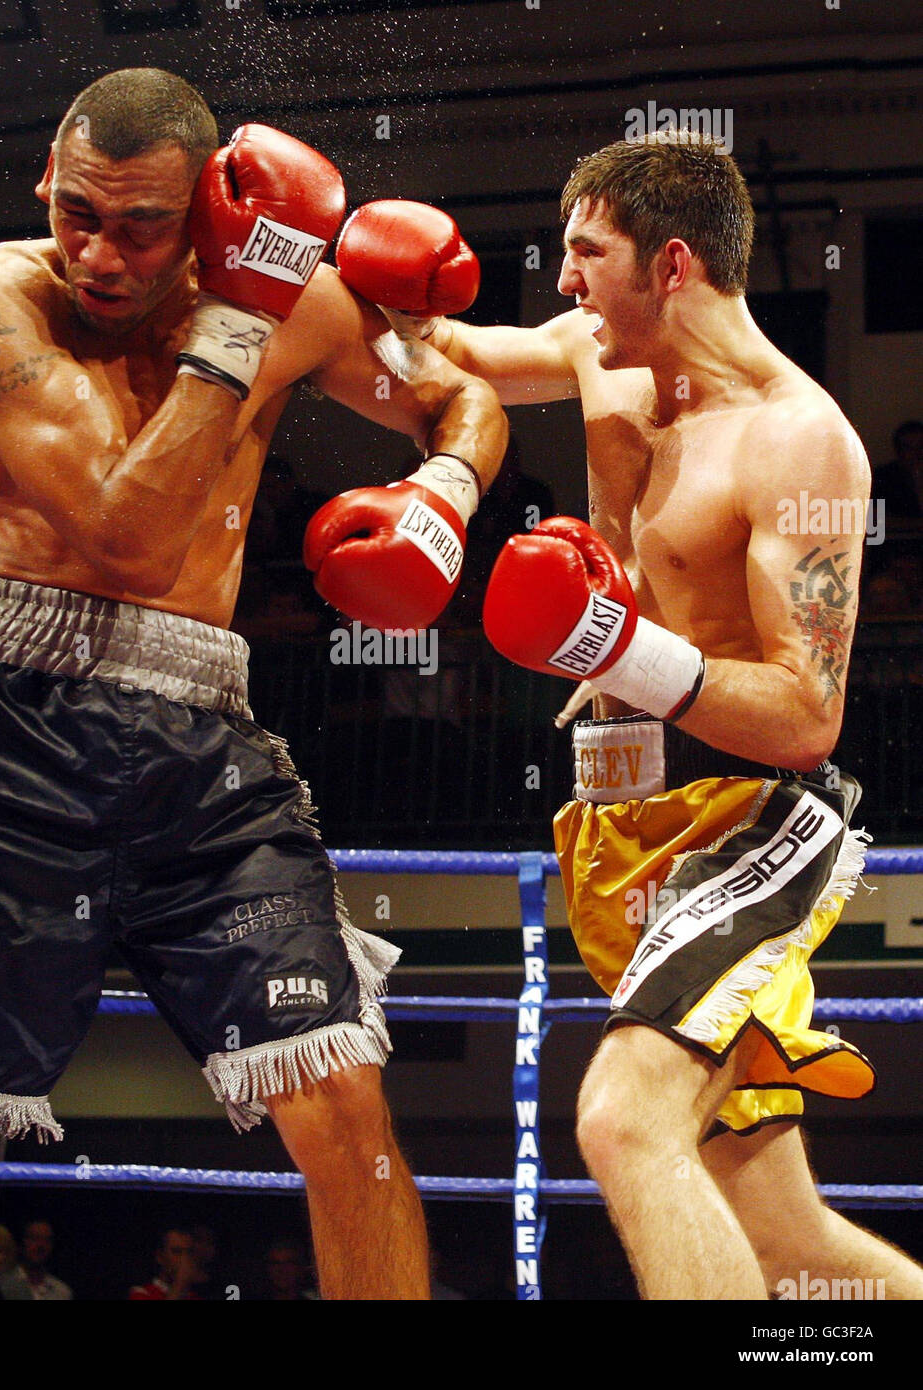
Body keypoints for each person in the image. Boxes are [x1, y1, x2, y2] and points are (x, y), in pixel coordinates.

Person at [0, 67, 507, 1302]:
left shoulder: (289, 302)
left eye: (140, 224)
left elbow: (460, 394)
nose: (97, 252)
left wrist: (442, 495)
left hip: (202, 732)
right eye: (76, 211)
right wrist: (245, 315)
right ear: (46, 183)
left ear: (205, 211)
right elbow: (123, 534)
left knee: (343, 1106)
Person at [338, 133, 923, 1299]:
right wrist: (323, 280)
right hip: (620, 834)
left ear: (669, 264)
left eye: (584, 253)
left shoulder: (799, 443)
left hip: (749, 825)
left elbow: (808, 715)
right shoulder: (595, 358)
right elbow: (428, 365)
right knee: (785, 1241)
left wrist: (617, 643)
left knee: (620, 1121)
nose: (561, 282)